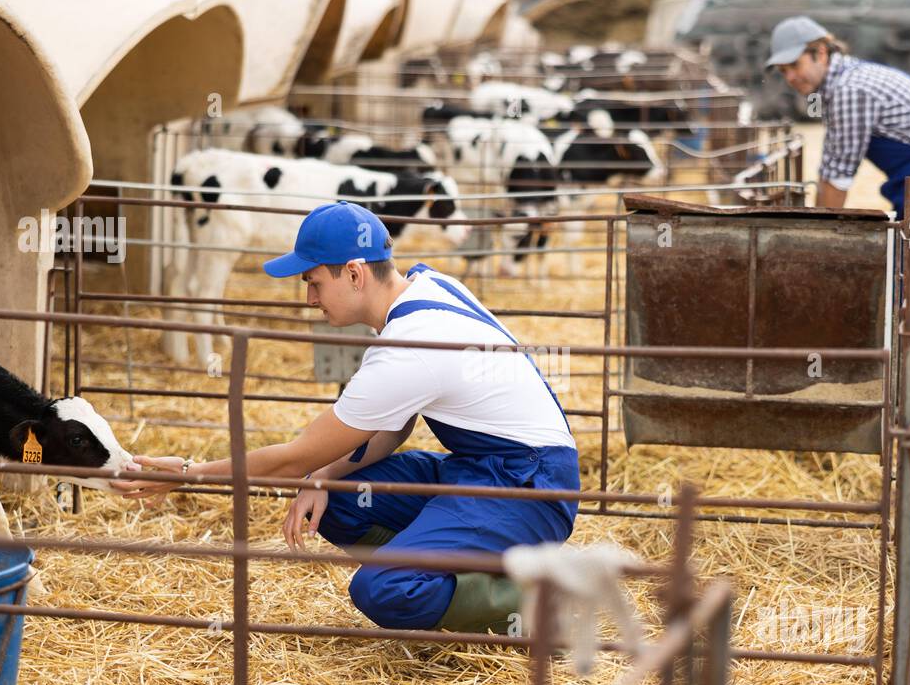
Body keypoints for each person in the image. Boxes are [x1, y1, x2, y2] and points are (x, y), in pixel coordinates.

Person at [116, 201, 580, 634]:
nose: (310, 299)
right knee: (337, 499)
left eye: (315, 282)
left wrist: (192, 473)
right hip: (484, 470)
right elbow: (393, 426)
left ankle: (534, 605)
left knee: (381, 588)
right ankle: (448, 563)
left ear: (355, 274)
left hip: (529, 488)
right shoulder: (426, 285)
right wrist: (325, 476)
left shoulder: (409, 344)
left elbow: (292, 458)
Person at [764, 16, 910, 423]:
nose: (790, 76)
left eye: (795, 65)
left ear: (820, 52)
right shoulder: (841, 85)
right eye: (783, 71)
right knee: (908, 281)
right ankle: (906, 390)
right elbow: (831, 169)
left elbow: (837, 179)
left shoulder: (849, 89)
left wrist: (822, 247)